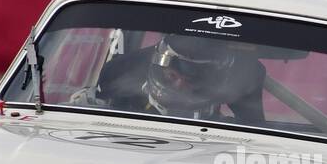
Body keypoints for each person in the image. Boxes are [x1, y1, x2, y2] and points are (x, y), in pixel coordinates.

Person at [96, 34, 266, 122]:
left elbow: (257, 128)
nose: (179, 85)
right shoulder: (119, 72)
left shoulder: (244, 79)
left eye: (193, 80)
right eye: (172, 76)